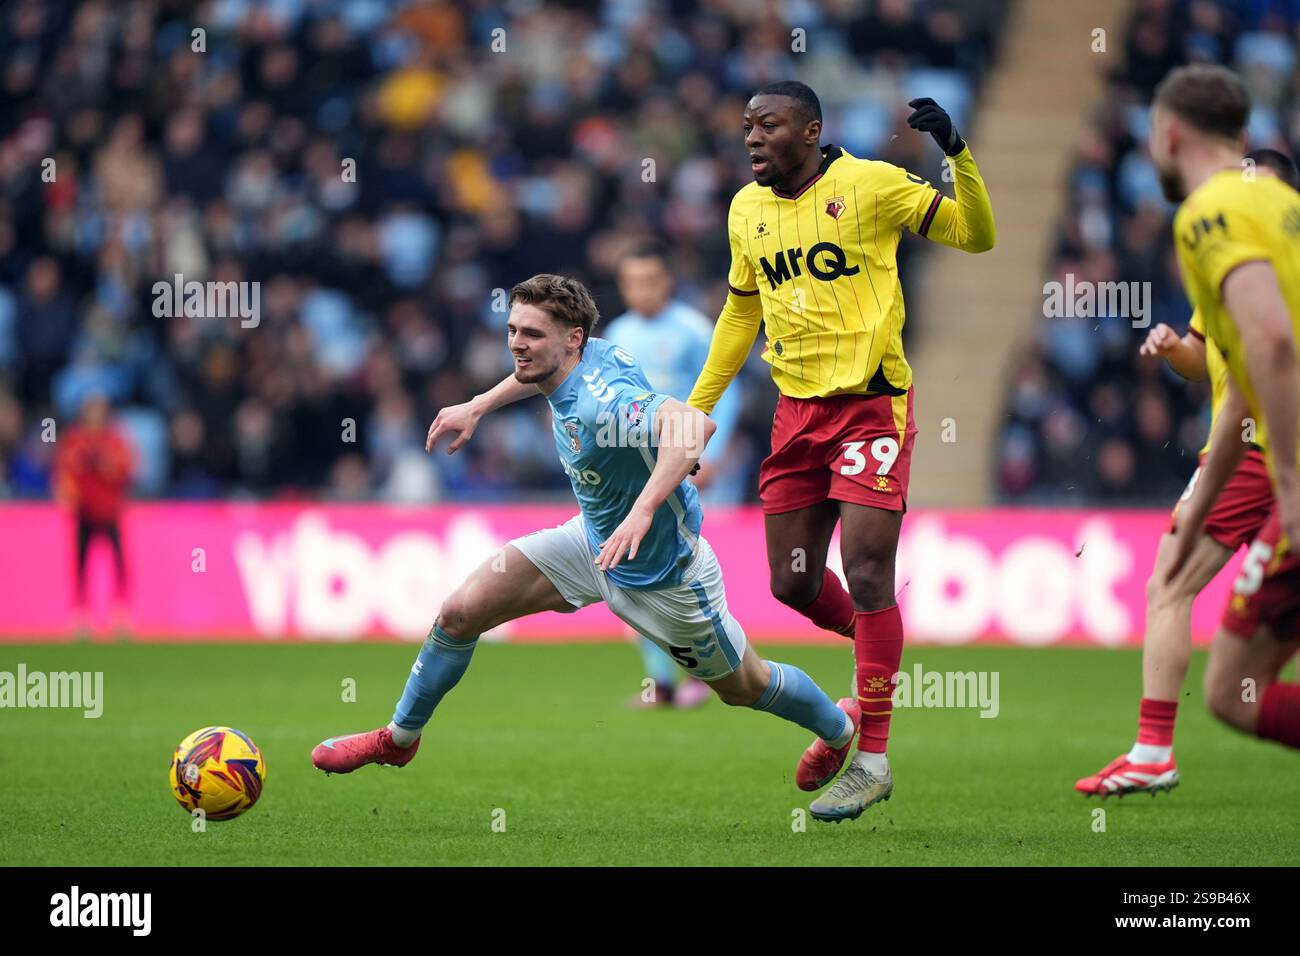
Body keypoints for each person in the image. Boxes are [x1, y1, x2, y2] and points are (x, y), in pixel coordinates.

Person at [311, 274, 858, 786]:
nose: (516, 345)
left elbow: (696, 425)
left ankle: (837, 730)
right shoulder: (577, 359)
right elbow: (536, 375)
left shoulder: (605, 404)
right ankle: (399, 738)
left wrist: (644, 509)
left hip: (664, 574)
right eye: (512, 331)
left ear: (573, 339)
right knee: (459, 613)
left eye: (531, 334)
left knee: (746, 686)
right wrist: (479, 405)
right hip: (591, 542)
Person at [685, 81, 995, 821]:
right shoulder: (744, 209)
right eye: (747, 125)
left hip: (871, 409)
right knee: (790, 584)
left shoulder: (874, 185)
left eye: (769, 125)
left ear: (811, 129)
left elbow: (975, 235)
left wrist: (956, 153)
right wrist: (698, 413)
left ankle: (874, 760)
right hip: (795, 416)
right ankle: (872, 662)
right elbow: (740, 311)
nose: (753, 137)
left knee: (863, 570)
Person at [1076, 148, 1299, 797]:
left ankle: (1152, 750)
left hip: (1258, 450)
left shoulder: (1255, 263)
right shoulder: (1239, 263)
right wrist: (1176, 348)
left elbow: (1258, 371)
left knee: (1168, 585)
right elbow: (1210, 357)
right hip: (1253, 446)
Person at [1150, 64, 1300, 758]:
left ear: (1169, 133)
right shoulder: (1282, 211)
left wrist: (1293, 489)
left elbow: (1269, 346)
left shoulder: (1208, 216)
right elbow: (1238, 377)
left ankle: (1151, 752)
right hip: (1251, 451)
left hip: (1284, 465)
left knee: (1233, 690)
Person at [605, 241, 744, 710]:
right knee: (630, 575)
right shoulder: (617, 334)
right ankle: (660, 683)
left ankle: (701, 678)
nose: (642, 290)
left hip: (685, 465)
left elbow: (728, 390)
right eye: (632, 282)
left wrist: (708, 456)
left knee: (684, 575)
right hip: (633, 474)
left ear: (666, 281)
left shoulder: (692, 329)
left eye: (650, 280)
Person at [53, 392, 134, 632]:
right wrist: (67, 493)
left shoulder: (114, 441)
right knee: (80, 564)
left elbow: (125, 470)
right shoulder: (75, 441)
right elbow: (64, 474)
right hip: (84, 513)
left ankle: (120, 613)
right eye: (91, 411)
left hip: (110, 513)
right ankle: (81, 615)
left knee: (119, 564)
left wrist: (102, 463)